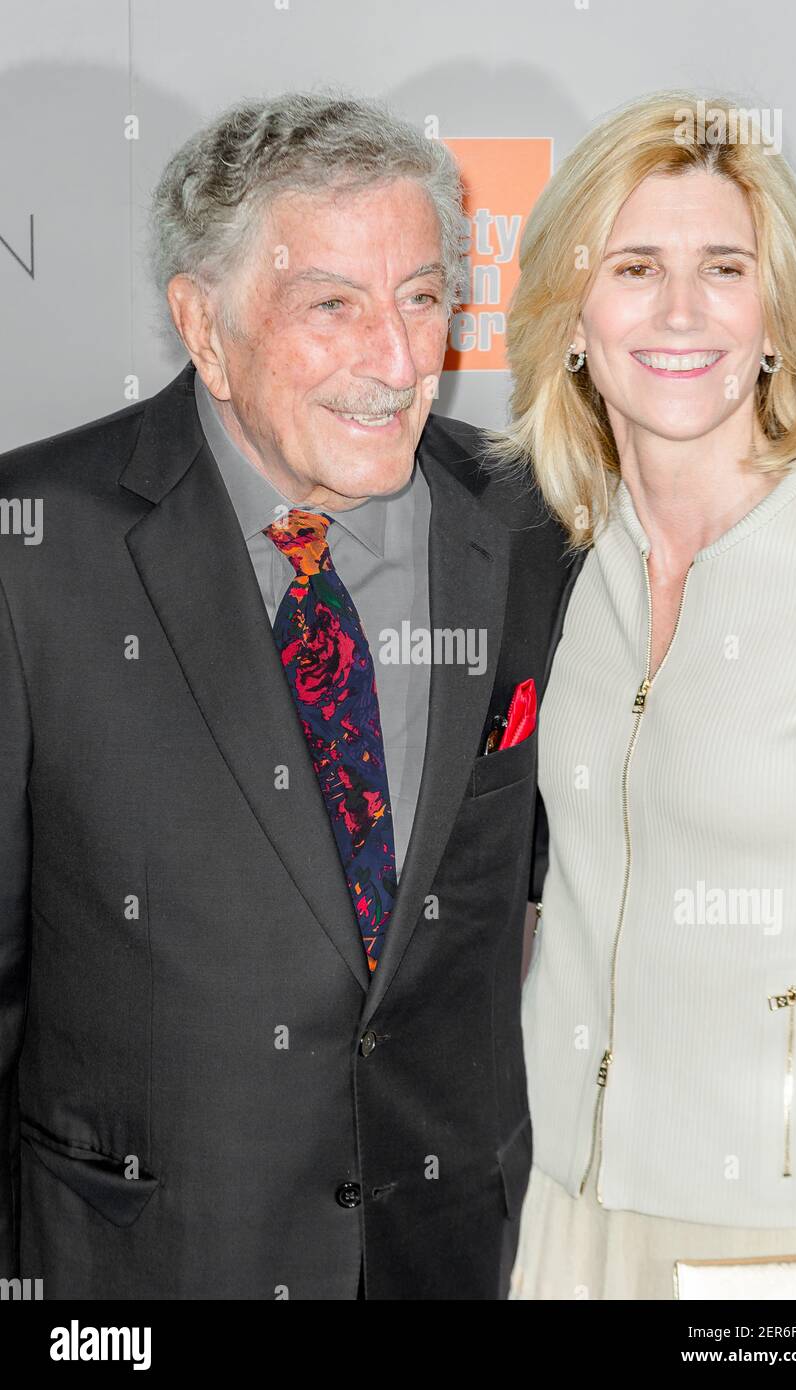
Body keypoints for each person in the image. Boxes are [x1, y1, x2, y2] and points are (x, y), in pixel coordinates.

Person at [0, 92, 575, 1300]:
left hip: (449, 1251)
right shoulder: (34, 551)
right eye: (332, 306)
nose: (399, 360)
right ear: (202, 327)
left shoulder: (529, 525)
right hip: (146, 1268)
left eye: (423, 297)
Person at [485, 89, 796, 1300]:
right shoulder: (558, 567)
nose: (681, 310)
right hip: (554, 1214)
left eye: (723, 267)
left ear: (775, 318)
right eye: (635, 265)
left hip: (771, 1245)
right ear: (573, 318)